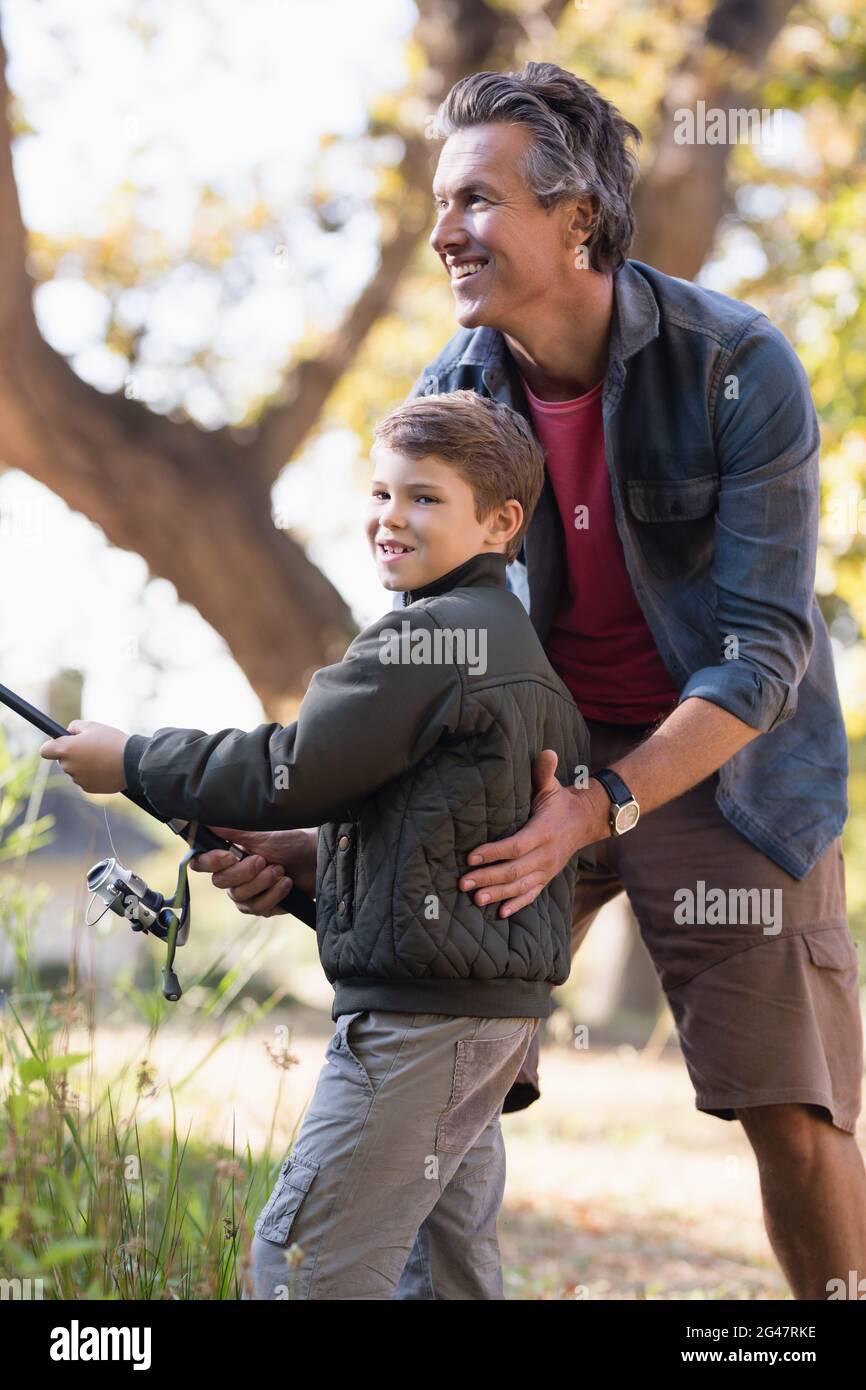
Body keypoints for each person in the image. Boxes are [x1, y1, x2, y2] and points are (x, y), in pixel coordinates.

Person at [197, 62, 866, 1301]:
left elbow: (762, 650)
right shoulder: (453, 395)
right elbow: (430, 666)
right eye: (443, 202)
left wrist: (605, 804)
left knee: (788, 1105)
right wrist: (324, 838)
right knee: (444, 1043)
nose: (445, 230)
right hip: (528, 759)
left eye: (479, 201)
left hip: (721, 763)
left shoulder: (737, 364)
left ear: (577, 220)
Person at [39, 389, 593, 1300]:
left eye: (423, 498)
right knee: (443, 1273)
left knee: (306, 1262)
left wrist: (131, 758)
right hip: (483, 1017)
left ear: (502, 522)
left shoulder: (433, 637)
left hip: (419, 1024)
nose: (390, 518)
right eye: (380, 494)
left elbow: (291, 764)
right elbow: (431, 835)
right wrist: (311, 864)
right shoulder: (512, 648)